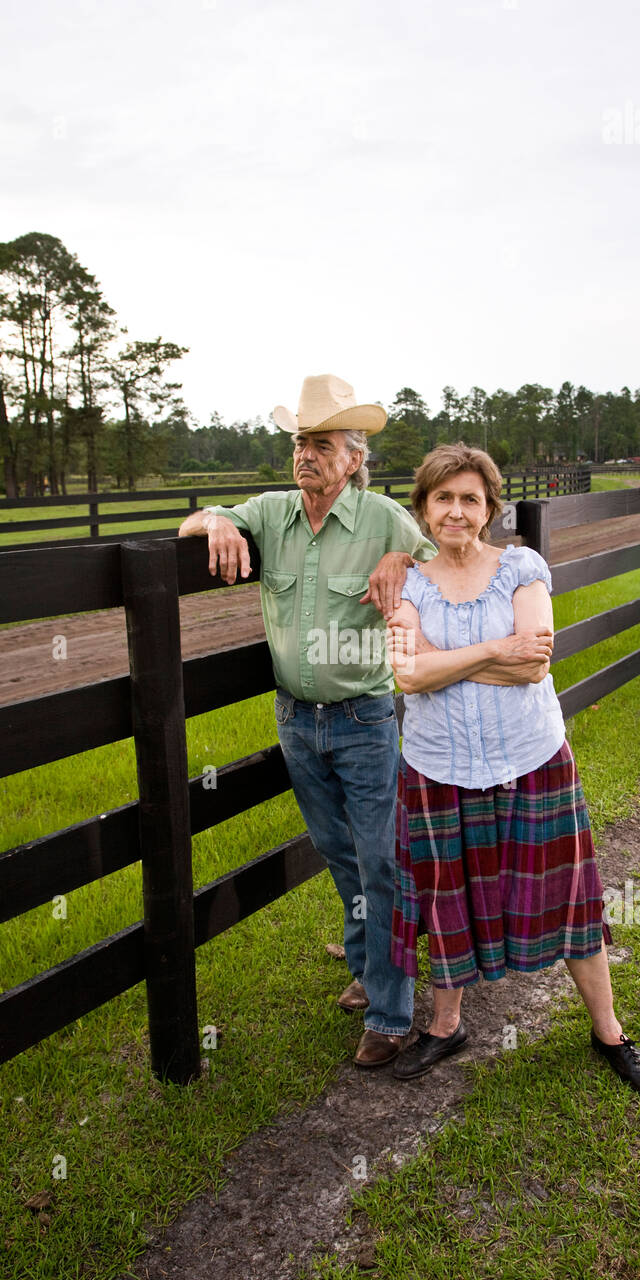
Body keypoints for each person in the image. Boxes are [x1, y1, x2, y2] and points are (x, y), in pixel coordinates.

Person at [179, 375, 437, 1066]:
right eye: (300, 442)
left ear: (353, 458)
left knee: (381, 861)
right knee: (340, 854)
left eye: (322, 444)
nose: (306, 455)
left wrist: (404, 556)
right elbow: (188, 526)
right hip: (296, 722)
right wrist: (216, 519)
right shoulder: (268, 513)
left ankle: (390, 1013)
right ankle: (367, 967)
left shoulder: (384, 518)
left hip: (365, 718)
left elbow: (453, 567)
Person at [385, 442, 640, 1091]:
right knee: (446, 903)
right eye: (444, 497)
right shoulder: (407, 583)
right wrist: (492, 649)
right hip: (437, 768)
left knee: (569, 899)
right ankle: (446, 1027)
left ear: (489, 507)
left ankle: (609, 1031)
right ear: (424, 507)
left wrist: (446, 661)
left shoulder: (521, 566)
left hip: (530, 759)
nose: (457, 510)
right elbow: (406, 674)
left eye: (470, 498)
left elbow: (535, 662)